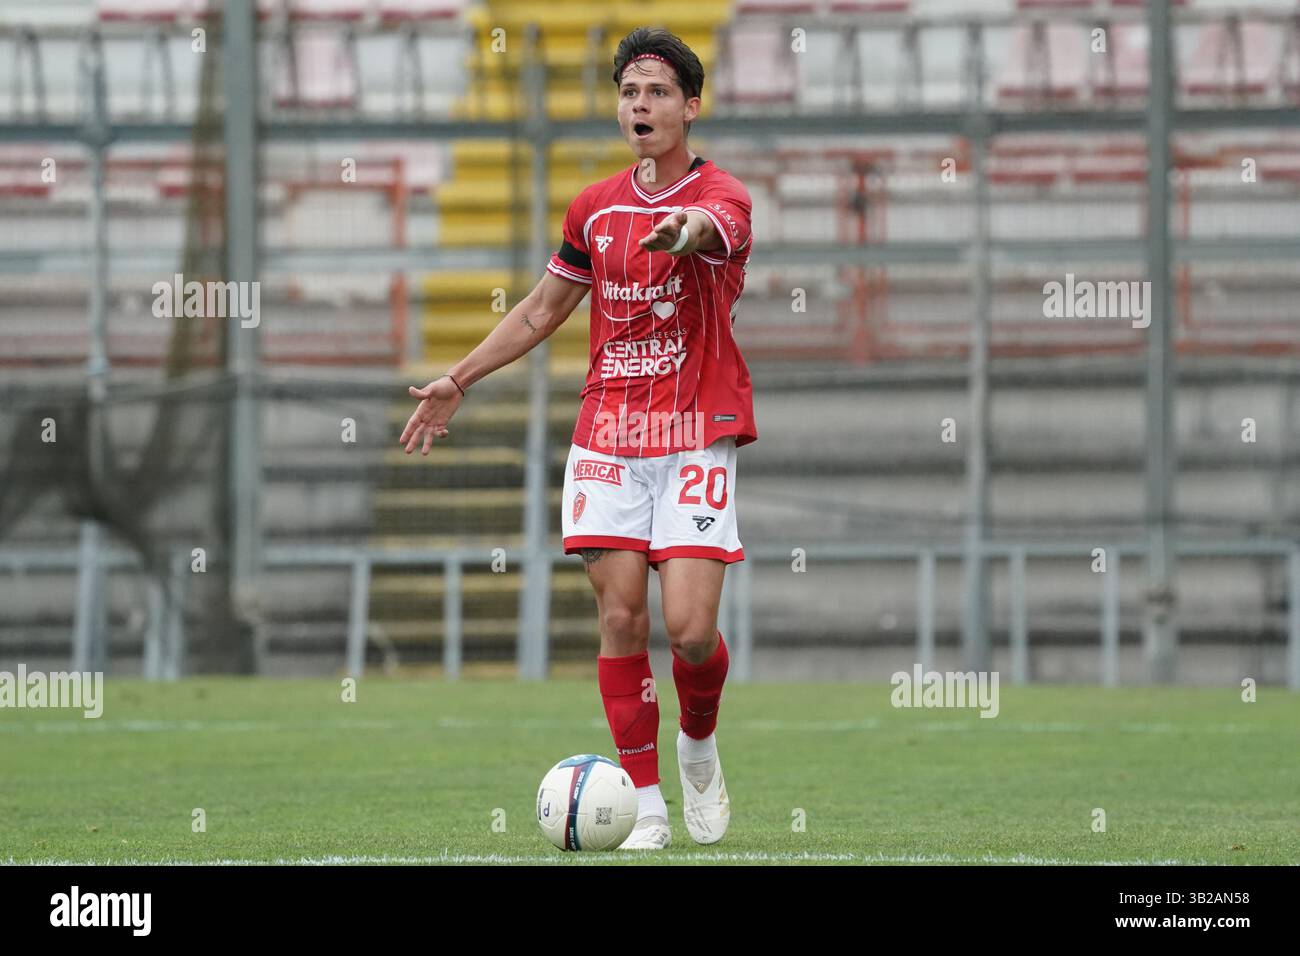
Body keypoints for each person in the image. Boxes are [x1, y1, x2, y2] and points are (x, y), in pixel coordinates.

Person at [400, 26, 756, 850]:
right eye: (631, 92)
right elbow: (539, 310)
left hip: (696, 431)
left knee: (691, 632)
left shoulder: (724, 196)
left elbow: (712, 230)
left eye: (659, 92)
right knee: (621, 618)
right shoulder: (593, 208)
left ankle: (697, 743)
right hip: (609, 431)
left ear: (690, 107)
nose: (642, 104)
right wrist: (460, 376)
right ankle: (647, 805)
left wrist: (684, 234)